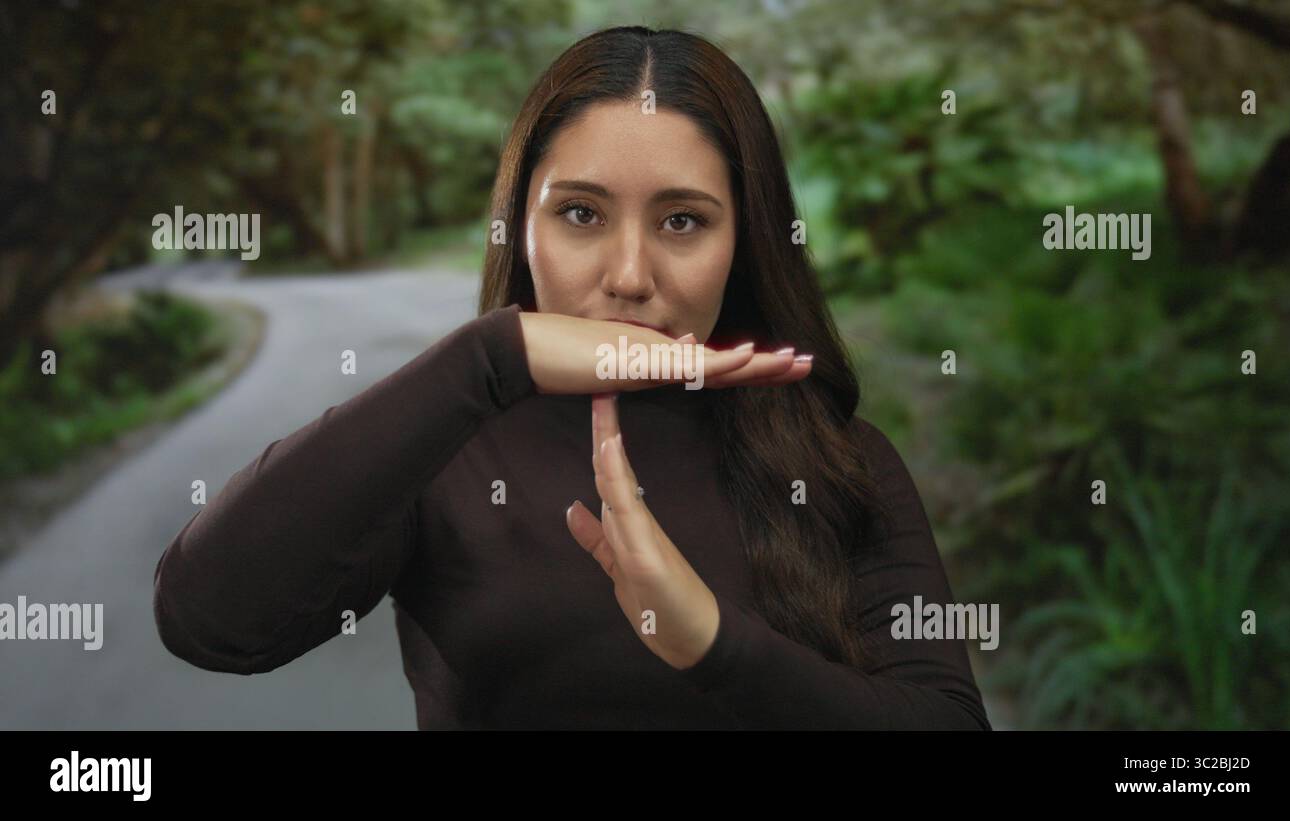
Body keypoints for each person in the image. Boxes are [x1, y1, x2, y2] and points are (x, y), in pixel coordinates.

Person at [152, 25, 992, 730]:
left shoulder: (841, 459)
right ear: (520, 227)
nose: (629, 273)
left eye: (682, 220)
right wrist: (489, 359)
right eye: (581, 214)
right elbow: (209, 619)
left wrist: (713, 642)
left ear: (746, 242)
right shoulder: (446, 452)